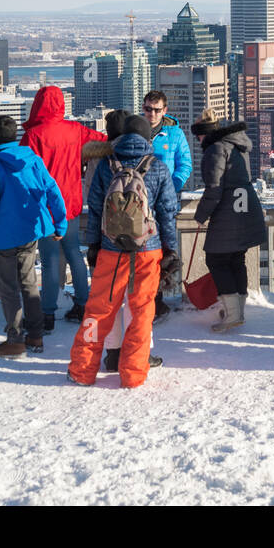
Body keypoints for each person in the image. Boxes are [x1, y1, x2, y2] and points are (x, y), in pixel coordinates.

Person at [69, 116, 180, 388]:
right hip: (148, 251)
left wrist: (93, 244)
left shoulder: (107, 166)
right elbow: (167, 213)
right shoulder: (158, 167)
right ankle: (133, 374)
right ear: (147, 139)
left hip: (110, 249)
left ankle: (83, 370)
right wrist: (171, 250)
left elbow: (95, 210)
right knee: (142, 312)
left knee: (99, 310)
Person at [0, 115, 68, 359]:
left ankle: (15, 339)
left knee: (8, 288)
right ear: (15, 135)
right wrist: (60, 223)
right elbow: (52, 190)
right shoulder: (32, 159)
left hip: (2, 236)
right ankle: (35, 335)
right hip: (29, 231)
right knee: (28, 282)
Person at [21, 85, 106, 329]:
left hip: (44, 206)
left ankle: (47, 313)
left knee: (49, 259)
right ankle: (82, 303)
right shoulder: (75, 130)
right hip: (70, 201)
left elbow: (23, 170)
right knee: (74, 253)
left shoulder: (34, 136)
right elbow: (103, 141)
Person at [190, 110, 268, 333]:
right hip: (245, 207)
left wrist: (201, 215)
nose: (198, 141)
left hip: (228, 210)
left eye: (199, 137)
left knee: (217, 260)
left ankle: (233, 314)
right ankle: (237, 311)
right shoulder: (237, 146)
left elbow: (214, 189)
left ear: (204, 134)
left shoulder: (215, 149)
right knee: (236, 259)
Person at [142, 90, 191, 320]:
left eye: (157, 110)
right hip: (140, 204)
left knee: (163, 252)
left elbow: (185, 164)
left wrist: (172, 187)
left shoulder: (174, 134)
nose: (152, 114)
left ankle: (158, 298)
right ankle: (144, 298)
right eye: (148, 109)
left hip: (165, 203)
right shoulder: (136, 132)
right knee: (143, 254)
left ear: (165, 110)